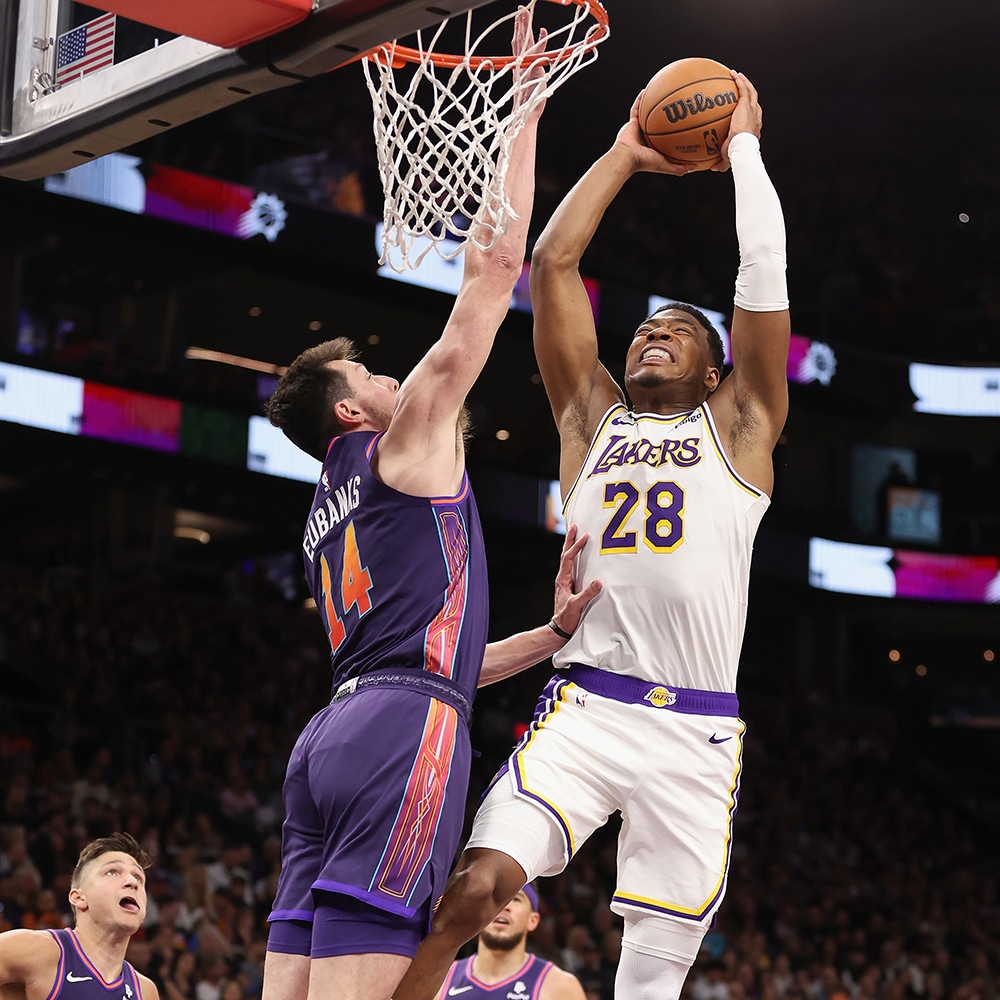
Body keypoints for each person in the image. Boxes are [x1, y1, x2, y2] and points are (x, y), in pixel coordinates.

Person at [392, 70, 789, 1000]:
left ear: (715, 373)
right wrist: (623, 154)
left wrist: (742, 147)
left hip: (696, 732)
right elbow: (553, 266)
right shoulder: (590, 421)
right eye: (644, 329)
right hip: (588, 707)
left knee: (648, 985)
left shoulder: (741, 429)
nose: (653, 335)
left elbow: (763, 274)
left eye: (678, 332)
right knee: (469, 894)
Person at [258, 15, 600, 1000]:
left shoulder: (326, 508)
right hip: (399, 736)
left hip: (333, 736)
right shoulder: (400, 440)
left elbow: (437, 659)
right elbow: (493, 271)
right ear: (352, 410)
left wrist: (550, 636)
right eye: (369, 373)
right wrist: (525, 106)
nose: (387, 375)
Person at [0, 831, 161, 1000]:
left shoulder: (145, 991)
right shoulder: (39, 951)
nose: (133, 882)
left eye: (138, 877)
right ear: (79, 898)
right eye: (112, 872)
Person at [434, 884, 585, 1000]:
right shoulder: (440, 980)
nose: (505, 906)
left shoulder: (560, 987)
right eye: (497, 898)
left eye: (516, 899)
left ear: (533, 920)